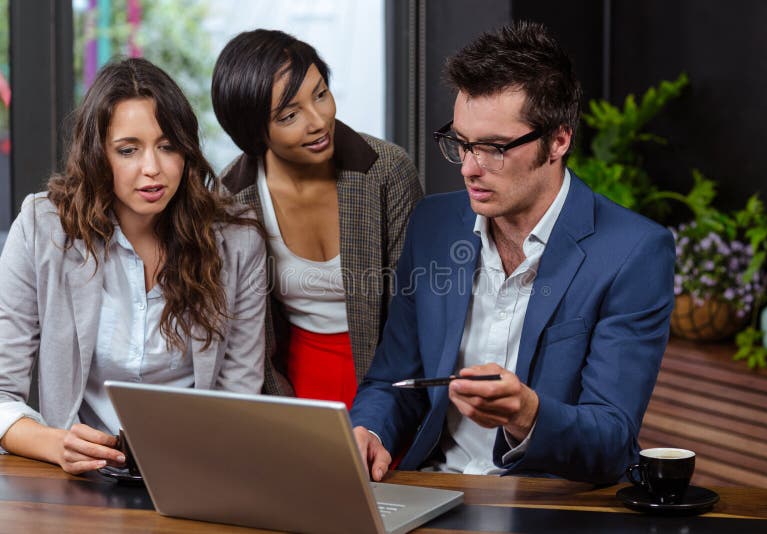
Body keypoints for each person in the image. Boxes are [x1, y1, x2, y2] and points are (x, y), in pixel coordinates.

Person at [350, 21, 675, 484]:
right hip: (437, 488)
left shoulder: (635, 251)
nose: (468, 168)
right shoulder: (432, 226)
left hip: (548, 504)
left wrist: (529, 415)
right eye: (460, 143)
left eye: (493, 148)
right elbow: (393, 381)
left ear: (558, 141)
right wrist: (371, 430)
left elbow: (611, 440)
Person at [0, 58, 267, 475]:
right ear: (97, 155)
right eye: (128, 150)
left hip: (197, 471)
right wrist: (56, 444)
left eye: (167, 146)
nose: (152, 169)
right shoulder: (42, 228)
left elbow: (239, 400)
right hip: (77, 479)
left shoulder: (236, 241)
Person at [211, 30, 423, 404]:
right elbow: (245, 337)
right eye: (290, 115)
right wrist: (281, 410)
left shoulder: (387, 172)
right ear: (254, 132)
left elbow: (412, 312)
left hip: (391, 380)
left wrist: (384, 413)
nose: (318, 121)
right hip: (291, 384)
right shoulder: (231, 199)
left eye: (321, 94)